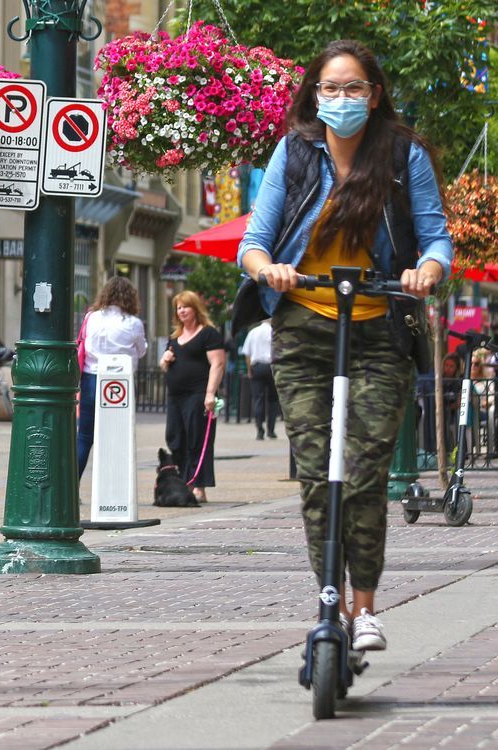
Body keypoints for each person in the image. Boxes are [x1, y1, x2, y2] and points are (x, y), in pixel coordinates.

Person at [237, 40, 452, 651]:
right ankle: (328, 599)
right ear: (314, 95)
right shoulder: (295, 153)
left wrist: (425, 273)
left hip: (379, 326)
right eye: (329, 89)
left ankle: (364, 609)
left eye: (353, 88)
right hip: (304, 326)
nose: (340, 100)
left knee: (361, 475)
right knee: (315, 475)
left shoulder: (401, 156)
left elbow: (436, 239)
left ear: (374, 94)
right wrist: (268, 269)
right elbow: (253, 241)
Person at [76, 277, 147, 477]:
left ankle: (73, 487)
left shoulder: (91, 317)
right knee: (117, 437)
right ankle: (114, 486)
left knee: (84, 436)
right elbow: (141, 351)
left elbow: (85, 344)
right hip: (120, 382)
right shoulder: (134, 323)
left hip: (91, 378)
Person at [159, 291, 225, 503]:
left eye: (185, 307)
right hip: (175, 396)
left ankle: (198, 485)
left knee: (197, 439)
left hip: (198, 394)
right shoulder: (174, 338)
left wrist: (210, 393)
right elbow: (164, 367)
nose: (181, 311)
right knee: (175, 438)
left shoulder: (208, 334)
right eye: (178, 308)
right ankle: (185, 479)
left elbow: (218, 364)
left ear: (195, 309)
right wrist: (165, 360)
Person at [241, 319, 279, 440]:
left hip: (256, 366)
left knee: (258, 398)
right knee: (273, 399)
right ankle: (271, 430)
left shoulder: (253, 332)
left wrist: (249, 369)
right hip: (271, 367)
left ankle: (259, 430)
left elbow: (247, 353)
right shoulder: (274, 331)